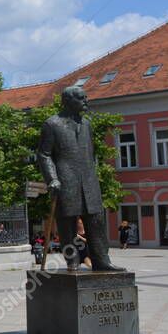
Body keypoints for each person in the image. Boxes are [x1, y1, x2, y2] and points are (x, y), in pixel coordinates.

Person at [37, 86, 124, 272]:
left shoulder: (87, 124)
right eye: (81, 98)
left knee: (96, 220)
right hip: (66, 180)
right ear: (68, 101)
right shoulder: (52, 124)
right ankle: (73, 261)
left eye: (86, 97)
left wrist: (94, 172)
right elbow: (44, 155)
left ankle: (101, 261)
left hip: (89, 180)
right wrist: (52, 178)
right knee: (67, 223)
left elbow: (91, 153)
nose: (86, 101)